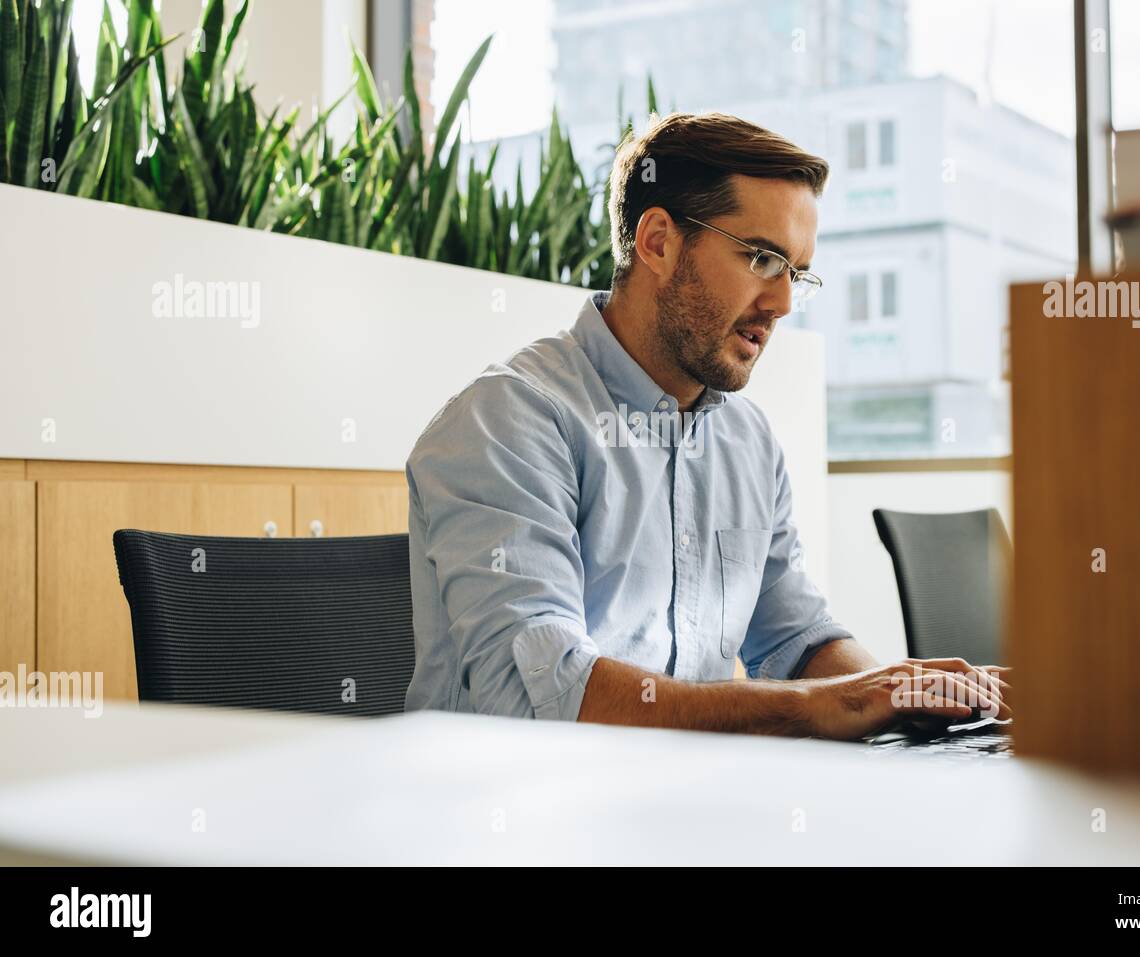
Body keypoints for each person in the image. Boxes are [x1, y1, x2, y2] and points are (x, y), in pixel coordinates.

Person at [404, 112, 1011, 738]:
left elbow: (798, 637)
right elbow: (542, 699)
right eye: (762, 258)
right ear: (659, 242)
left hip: (696, 803)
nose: (781, 305)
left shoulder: (748, 442)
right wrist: (820, 707)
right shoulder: (509, 421)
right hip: (521, 817)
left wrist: (905, 699)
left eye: (796, 274)